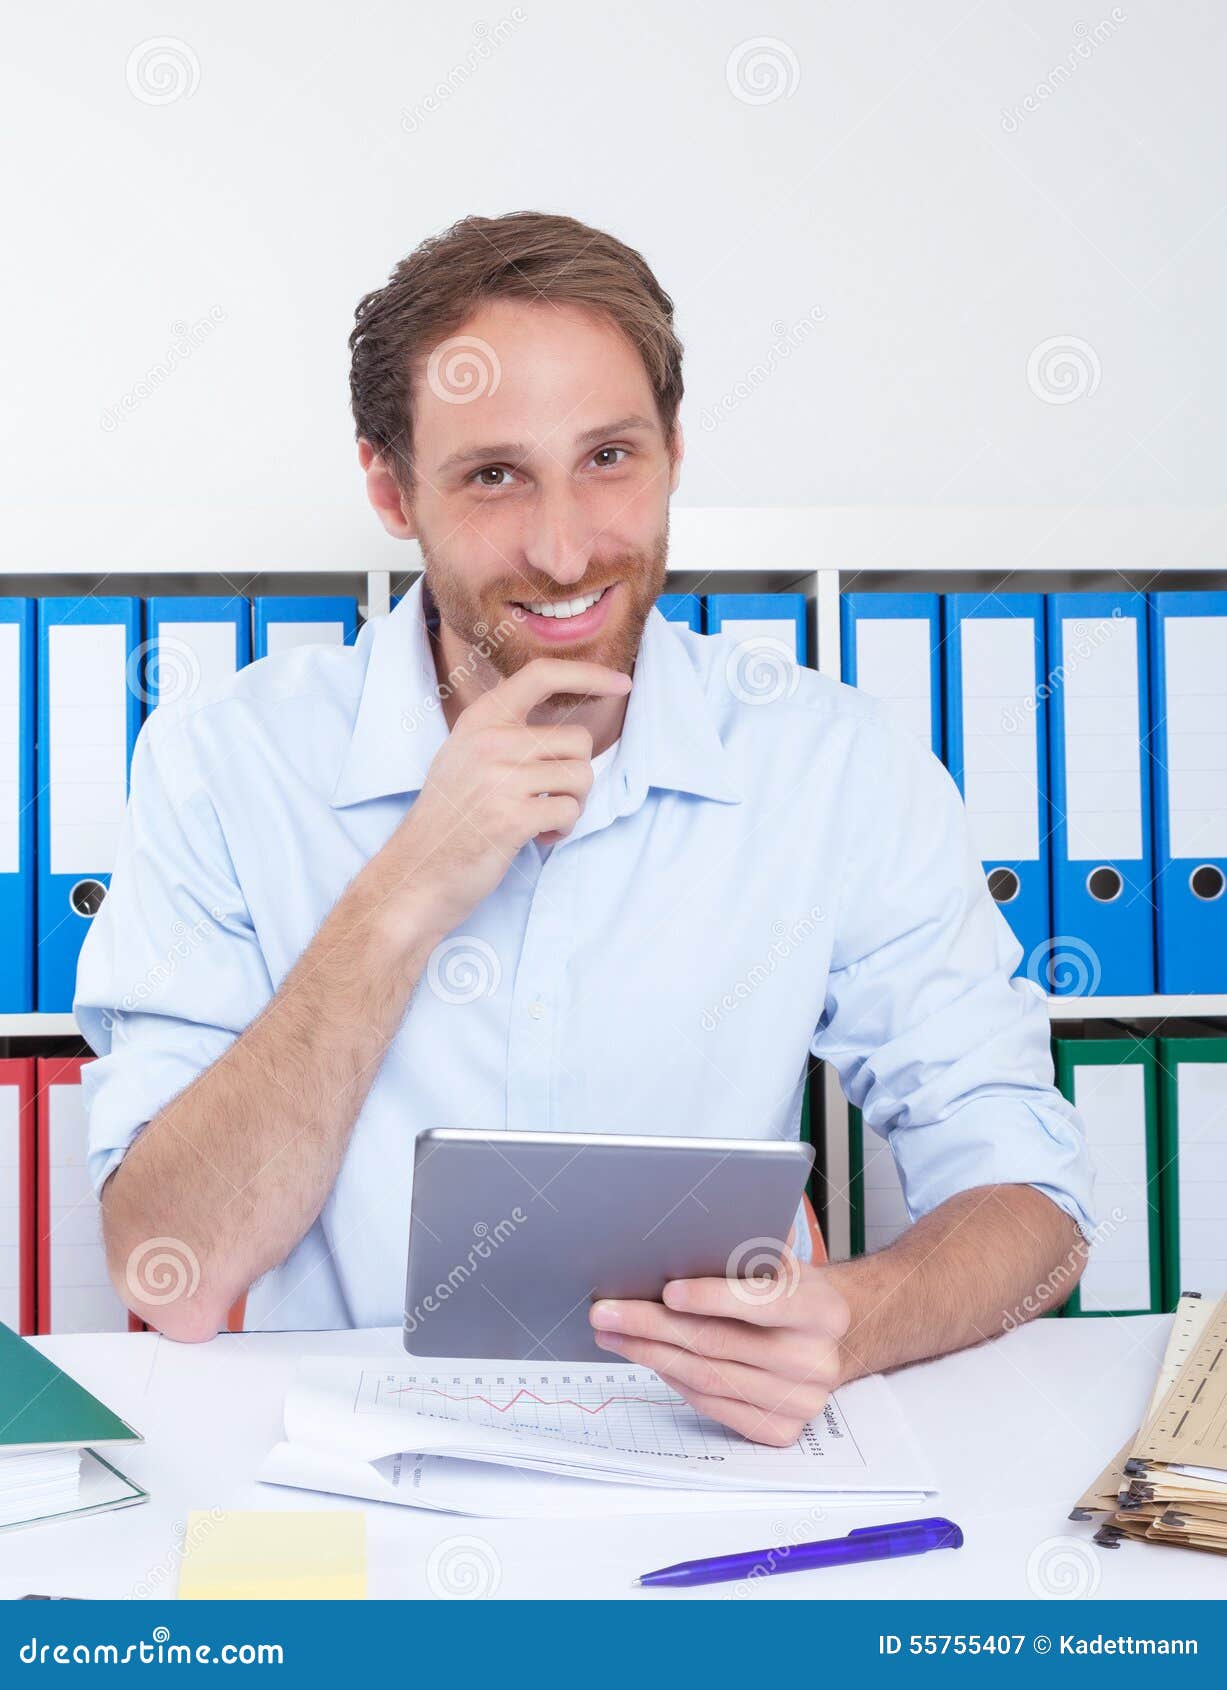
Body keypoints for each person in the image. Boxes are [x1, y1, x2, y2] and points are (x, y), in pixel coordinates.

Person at [76, 210, 1092, 1448]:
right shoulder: (225, 760)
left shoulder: (834, 765)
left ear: (672, 450)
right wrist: (407, 888)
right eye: (493, 474)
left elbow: (1034, 1201)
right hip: (353, 1482)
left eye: (608, 458)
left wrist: (858, 1318)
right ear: (391, 490)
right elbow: (167, 1266)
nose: (564, 550)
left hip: (716, 1468)